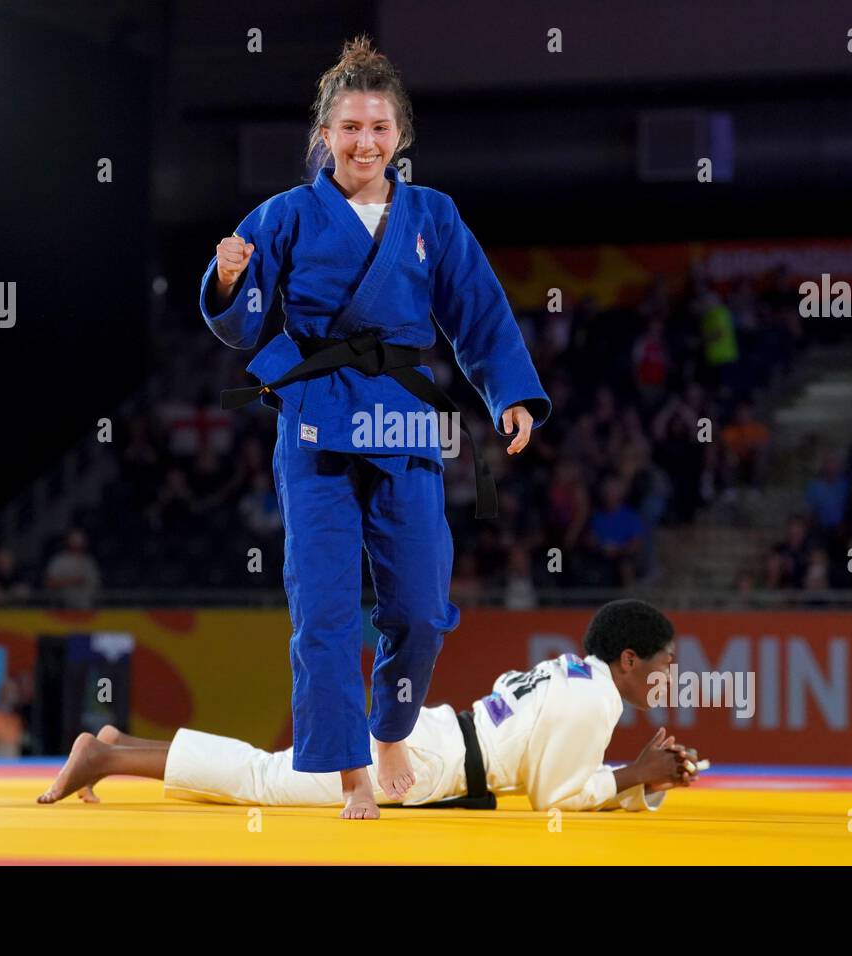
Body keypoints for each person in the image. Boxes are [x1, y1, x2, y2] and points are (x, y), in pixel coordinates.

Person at [199, 36, 549, 819]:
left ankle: (392, 728)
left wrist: (510, 393)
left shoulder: (433, 215)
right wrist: (227, 278)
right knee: (323, 609)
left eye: (379, 128)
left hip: (403, 416)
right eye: (350, 127)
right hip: (317, 419)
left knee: (420, 606)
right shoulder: (285, 215)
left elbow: (478, 310)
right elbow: (242, 319)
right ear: (324, 134)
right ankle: (349, 769)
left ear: (401, 135)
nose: (365, 142)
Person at [38, 600, 703, 813]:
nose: (670, 674)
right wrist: (635, 775)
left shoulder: (571, 671)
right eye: (666, 662)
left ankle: (120, 746)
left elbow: (545, 757)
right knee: (264, 778)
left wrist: (638, 776)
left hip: (435, 736)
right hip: (425, 764)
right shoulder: (597, 701)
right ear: (629, 660)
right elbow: (553, 796)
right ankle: (104, 756)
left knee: (272, 767)